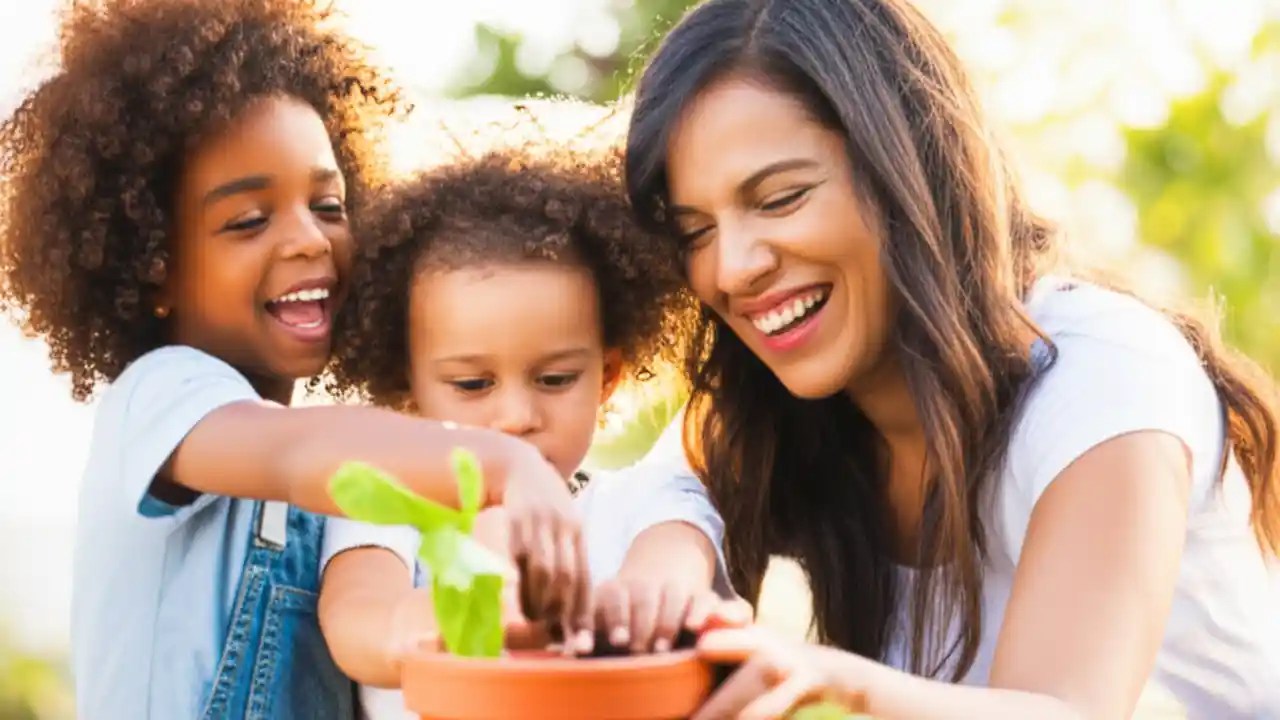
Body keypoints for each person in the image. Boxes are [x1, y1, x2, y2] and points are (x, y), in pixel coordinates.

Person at [623, 0, 1280, 717]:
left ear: (909, 164)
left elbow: (1068, 711)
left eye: (781, 198)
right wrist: (671, 550)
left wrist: (828, 681)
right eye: (695, 232)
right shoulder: (784, 412)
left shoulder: (1100, 378)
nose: (733, 268)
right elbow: (654, 493)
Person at [0, 2, 589, 717]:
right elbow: (304, 451)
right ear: (153, 266)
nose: (310, 238)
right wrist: (503, 465)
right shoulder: (159, 397)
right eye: (249, 220)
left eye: (329, 205)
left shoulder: (342, 479)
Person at [316, 136, 736, 718]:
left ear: (607, 376)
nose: (515, 417)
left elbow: (672, 571)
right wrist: (475, 606)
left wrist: (624, 608)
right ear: (408, 390)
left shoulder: (646, 501)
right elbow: (358, 625)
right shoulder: (391, 516)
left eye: (555, 379)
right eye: (472, 385)